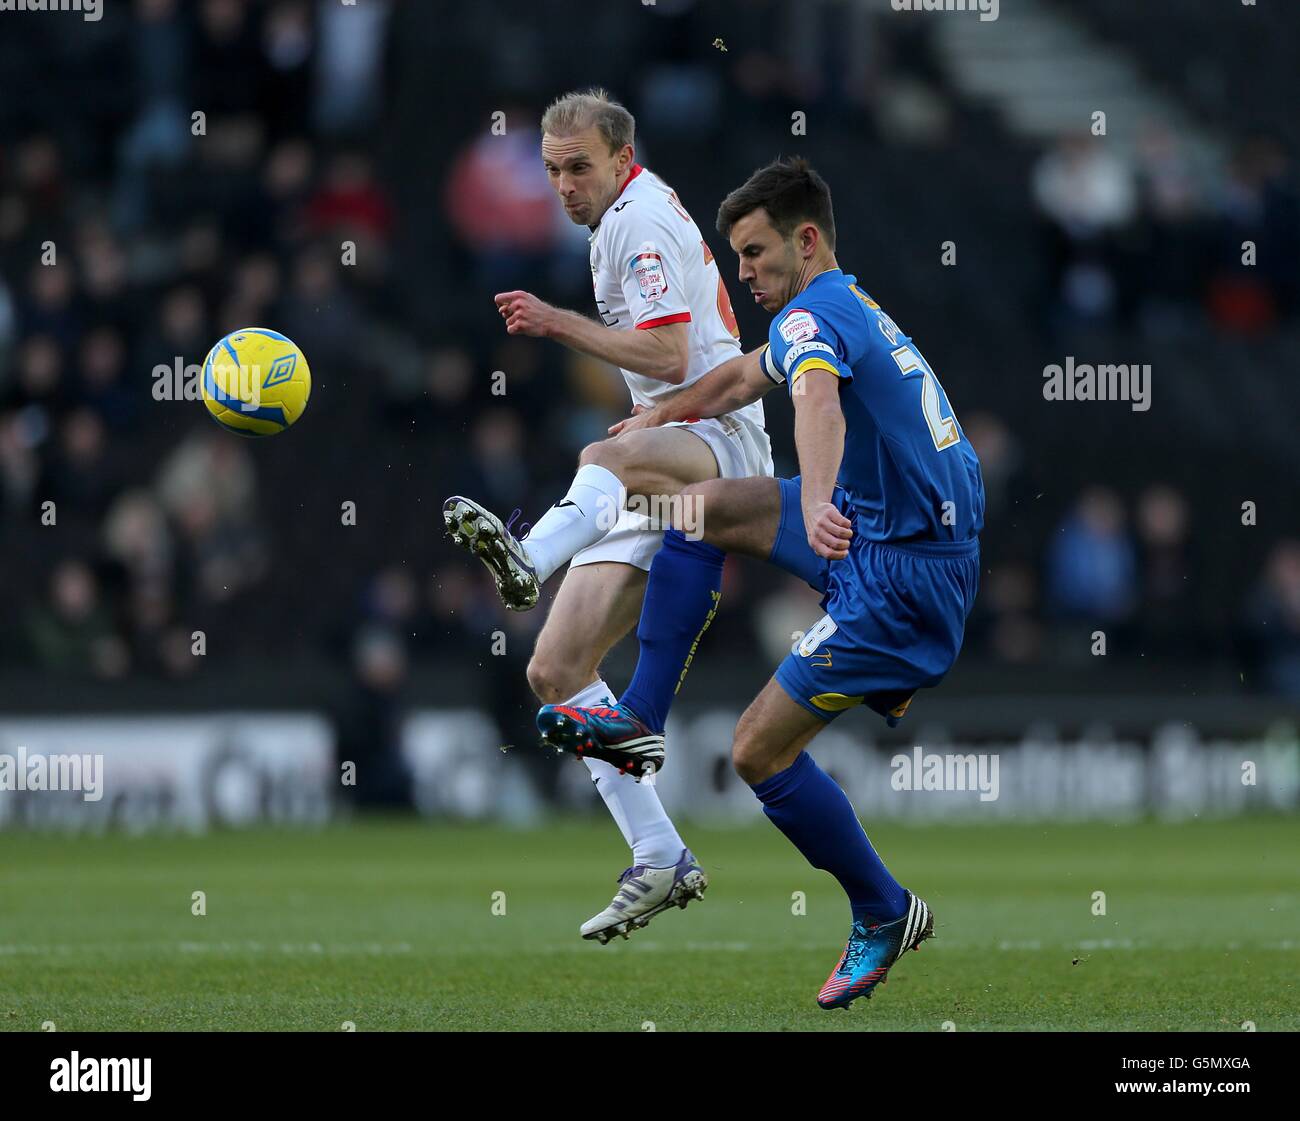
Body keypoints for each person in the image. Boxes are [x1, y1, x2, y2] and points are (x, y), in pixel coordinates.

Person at [541, 157, 984, 1009]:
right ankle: (642, 715)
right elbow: (743, 377)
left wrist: (816, 500)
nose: (740, 273)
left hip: (901, 568)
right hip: (879, 522)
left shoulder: (817, 320)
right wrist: (662, 413)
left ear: (805, 241)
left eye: (752, 254)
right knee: (692, 508)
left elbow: (817, 403)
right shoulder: (833, 303)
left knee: (755, 750)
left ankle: (883, 908)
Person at [443, 89, 774, 942]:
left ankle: (529, 557)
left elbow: (668, 351)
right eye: (552, 169)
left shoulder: (640, 220)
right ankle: (660, 856)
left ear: (623, 160)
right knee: (554, 672)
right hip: (662, 448)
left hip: (718, 439)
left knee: (603, 456)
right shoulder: (611, 224)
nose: (563, 184)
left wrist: (557, 324)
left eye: (578, 166)